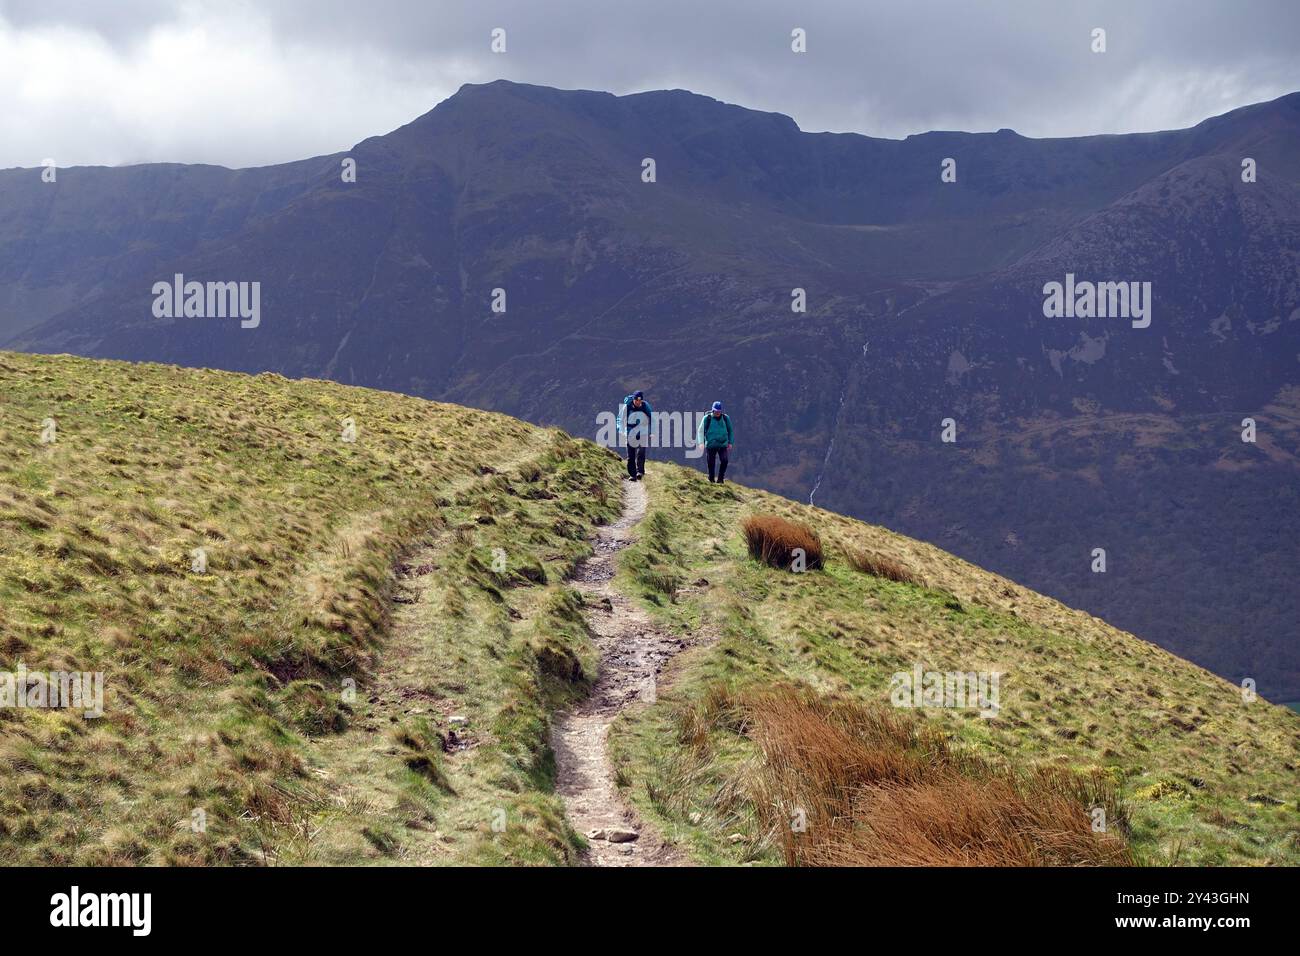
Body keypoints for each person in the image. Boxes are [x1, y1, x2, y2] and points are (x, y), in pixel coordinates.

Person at [617, 390, 653, 481]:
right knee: (631, 455)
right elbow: (620, 419)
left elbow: (652, 418)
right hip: (630, 432)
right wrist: (621, 430)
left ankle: (640, 472)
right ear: (633, 399)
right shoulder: (627, 406)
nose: (638, 402)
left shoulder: (645, 406)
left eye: (640, 401)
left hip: (642, 432)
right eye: (636, 400)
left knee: (641, 452)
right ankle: (632, 475)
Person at [696, 401, 733, 483]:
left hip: (722, 444)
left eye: (719, 411)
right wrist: (701, 442)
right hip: (711, 444)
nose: (718, 413)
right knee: (711, 462)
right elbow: (700, 431)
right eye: (716, 411)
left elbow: (730, 431)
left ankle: (720, 479)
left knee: (724, 460)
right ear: (713, 410)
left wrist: (730, 442)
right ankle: (711, 479)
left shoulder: (726, 418)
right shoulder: (707, 418)